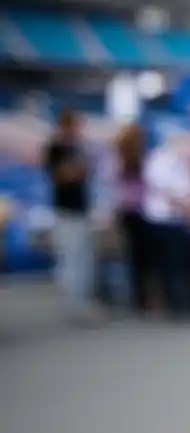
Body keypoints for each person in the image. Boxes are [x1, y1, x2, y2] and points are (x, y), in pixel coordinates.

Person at [43, 108, 100, 322]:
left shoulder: (76, 148)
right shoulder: (57, 148)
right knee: (71, 258)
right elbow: (65, 175)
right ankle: (74, 305)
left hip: (80, 208)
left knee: (84, 257)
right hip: (67, 210)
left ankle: (82, 301)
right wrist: (80, 166)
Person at [145, 132, 190, 316]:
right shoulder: (159, 161)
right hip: (165, 220)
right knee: (172, 263)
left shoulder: (186, 165)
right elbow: (165, 190)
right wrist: (189, 208)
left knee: (187, 261)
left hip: (182, 219)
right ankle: (175, 302)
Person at [112, 122, 155, 313]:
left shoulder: (119, 160)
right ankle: (144, 298)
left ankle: (138, 298)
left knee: (134, 257)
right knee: (144, 258)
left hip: (127, 211)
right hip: (140, 211)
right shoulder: (139, 159)